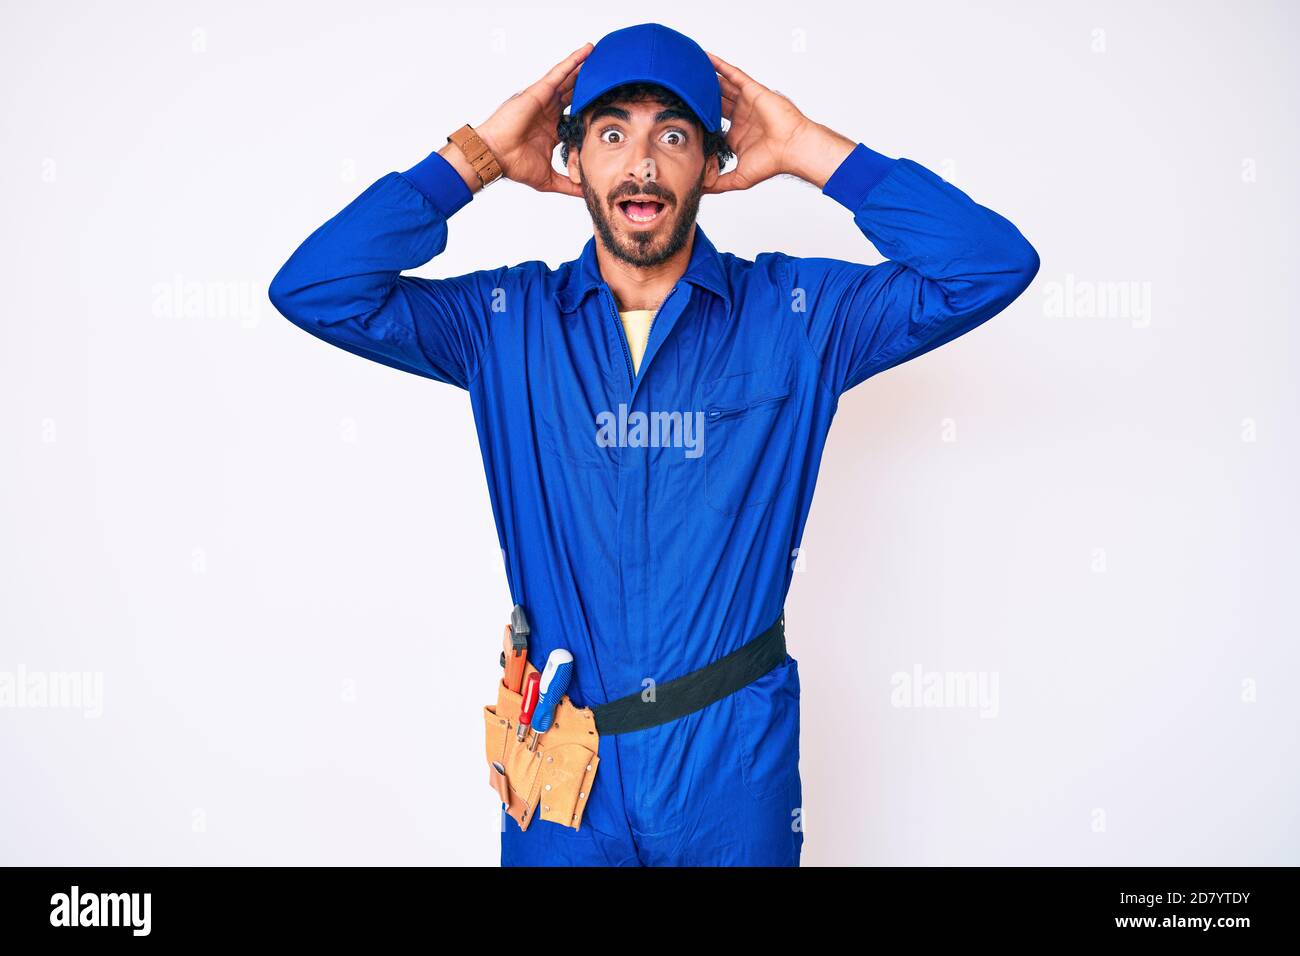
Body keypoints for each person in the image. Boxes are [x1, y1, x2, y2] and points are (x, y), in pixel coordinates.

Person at [268, 22, 1039, 866]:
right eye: (611, 134)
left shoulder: (799, 317)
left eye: (673, 136)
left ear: (713, 164)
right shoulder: (503, 326)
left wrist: (809, 147)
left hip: (731, 772)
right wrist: (478, 155)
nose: (642, 164)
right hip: (562, 766)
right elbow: (316, 288)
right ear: (569, 162)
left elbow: (990, 264)